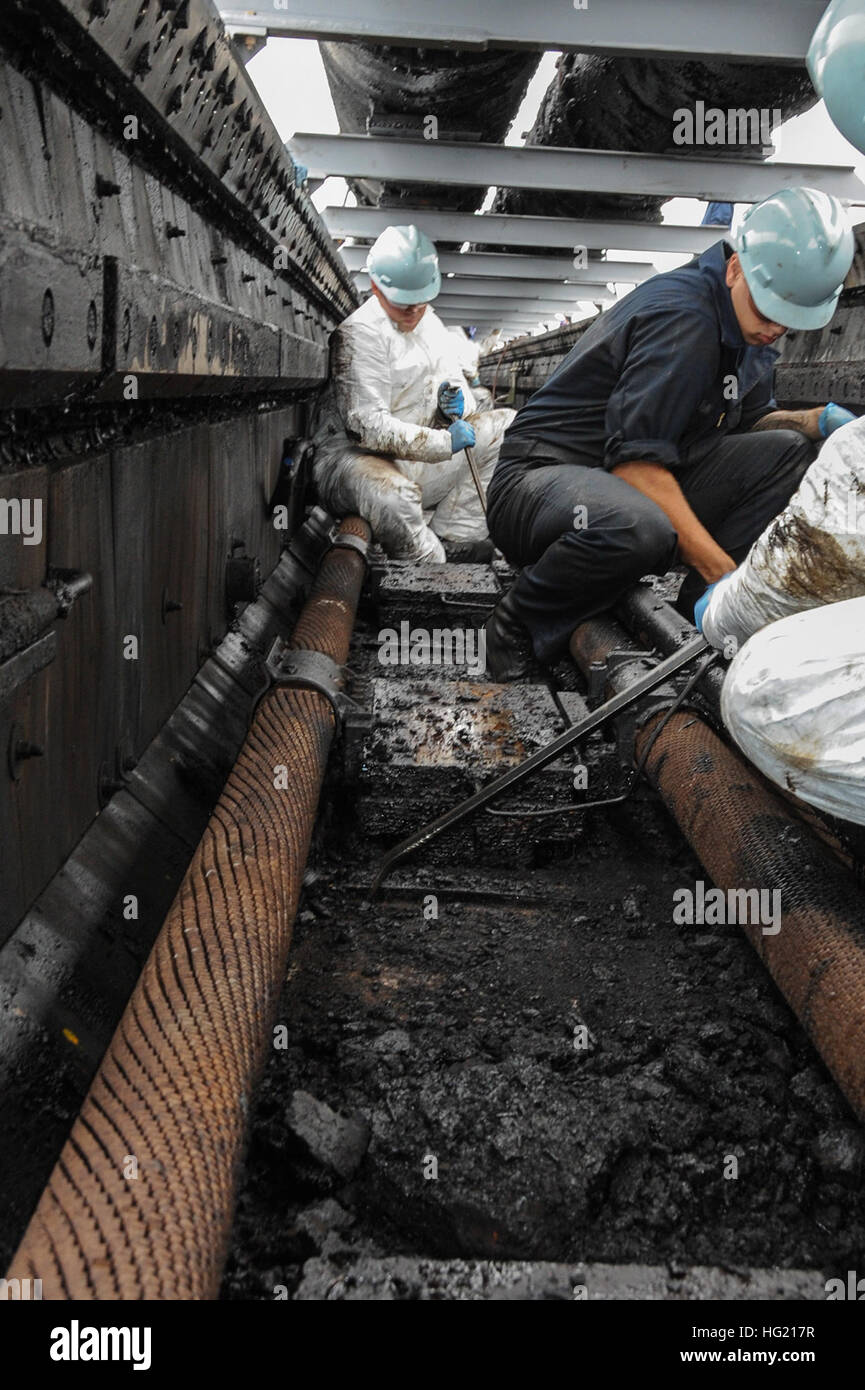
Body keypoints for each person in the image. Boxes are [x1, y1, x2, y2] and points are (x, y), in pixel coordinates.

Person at [481, 187, 855, 680]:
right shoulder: (685, 319)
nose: (773, 331)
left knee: (788, 452)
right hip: (539, 484)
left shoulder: (747, 329)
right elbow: (637, 466)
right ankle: (514, 626)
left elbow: (749, 426)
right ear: (735, 267)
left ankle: (702, 617)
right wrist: (727, 572)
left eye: (788, 324)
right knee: (637, 528)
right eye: (768, 313)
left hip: (621, 487)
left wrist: (815, 421)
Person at [312, 225, 515, 562]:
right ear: (376, 287)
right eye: (404, 304)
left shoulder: (429, 322)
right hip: (354, 463)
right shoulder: (358, 334)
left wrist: (455, 399)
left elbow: (453, 379)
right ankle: (427, 572)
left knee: (505, 427)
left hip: (415, 458)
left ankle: (454, 538)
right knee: (396, 497)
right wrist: (442, 443)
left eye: (420, 303)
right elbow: (367, 428)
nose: (413, 312)